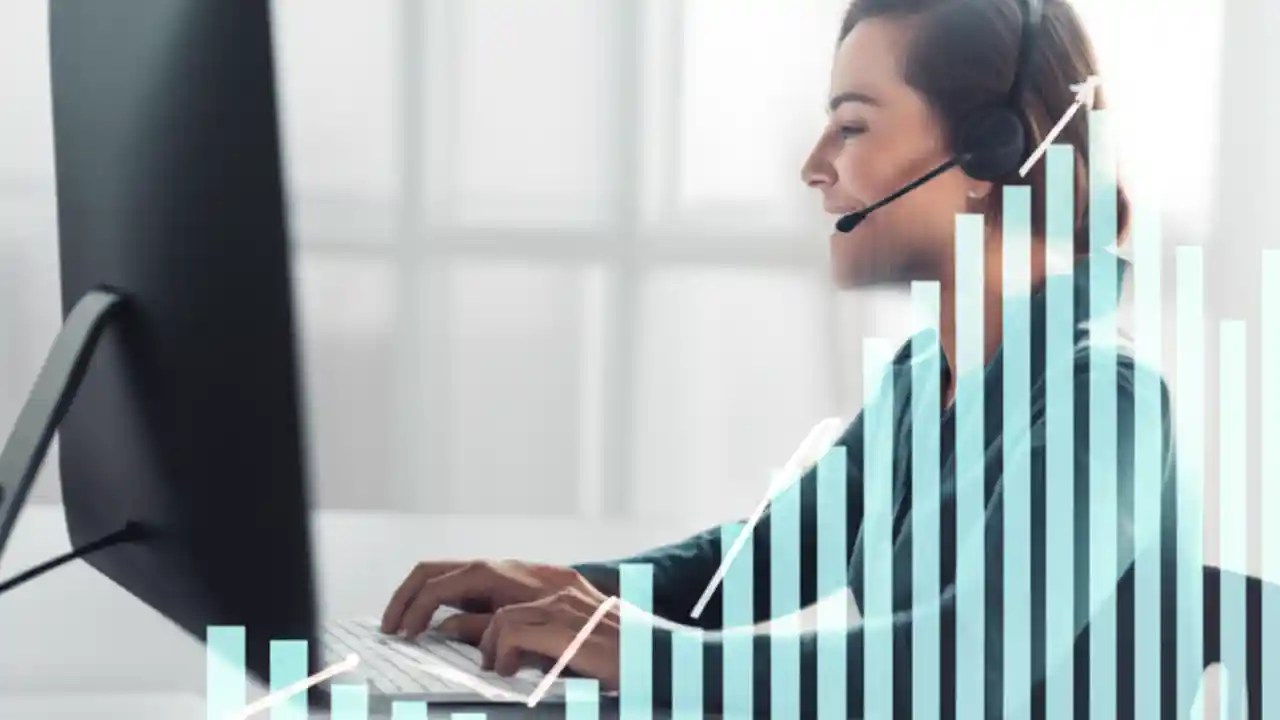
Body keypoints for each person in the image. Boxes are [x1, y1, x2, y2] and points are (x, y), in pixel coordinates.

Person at [378, 0, 1175, 715]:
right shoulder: (923, 383)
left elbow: (973, 661)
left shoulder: (1104, 400)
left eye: (852, 126)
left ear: (985, 157)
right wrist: (565, 592)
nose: (813, 167)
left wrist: (638, 652)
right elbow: (755, 564)